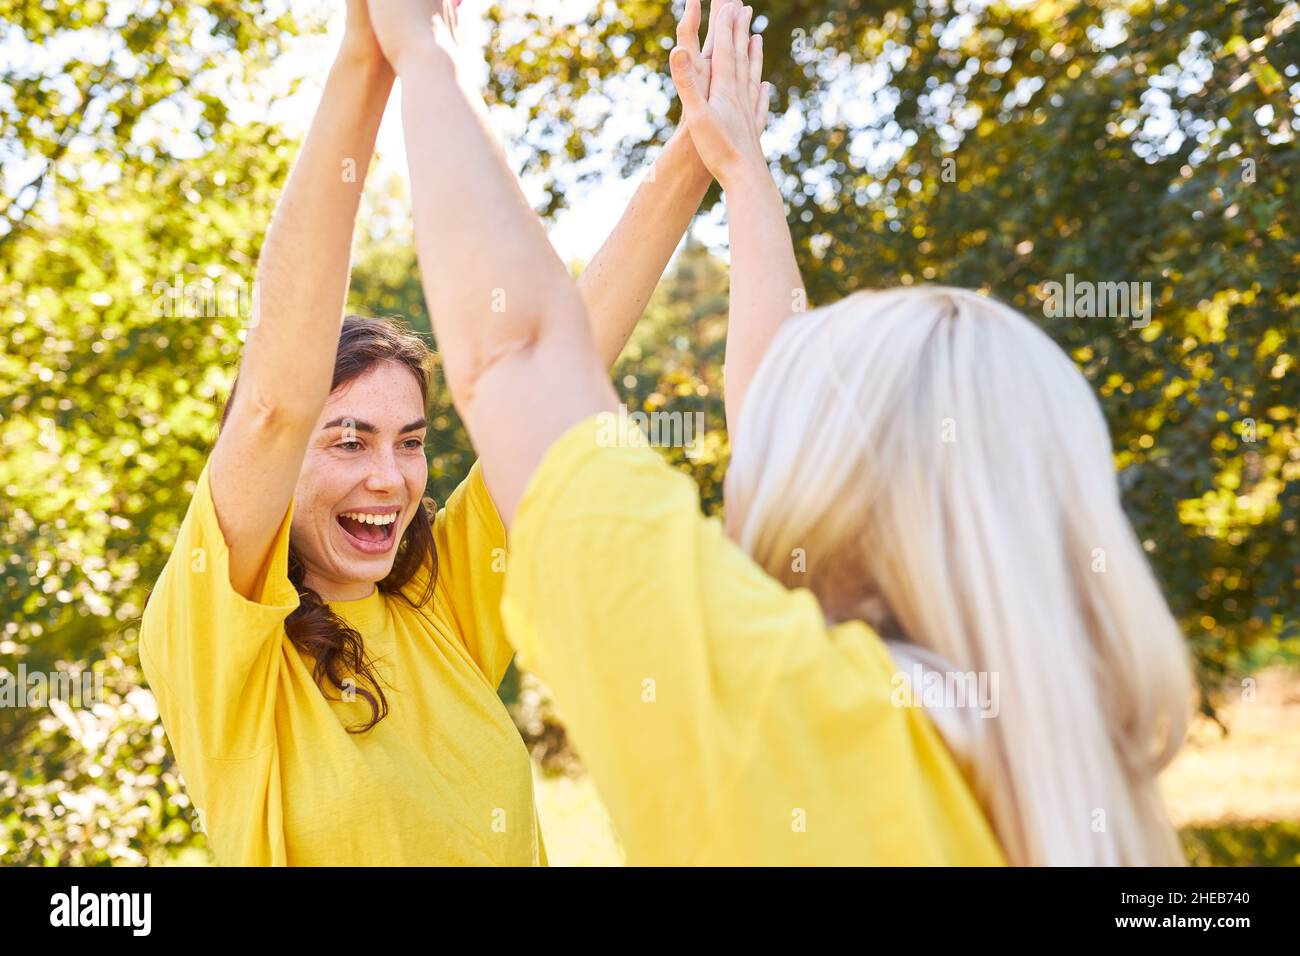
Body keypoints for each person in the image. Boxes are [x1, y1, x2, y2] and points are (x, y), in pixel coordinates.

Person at [375, 0, 1194, 865]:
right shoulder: (1076, 768)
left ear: (830, 492)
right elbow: (775, 413)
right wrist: (743, 173)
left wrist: (426, 53)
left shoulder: (789, 715)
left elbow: (523, 355)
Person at [138, 0, 758, 865]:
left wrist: (701, 148)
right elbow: (275, 407)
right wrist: (368, 54)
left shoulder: (444, 604)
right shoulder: (223, 639)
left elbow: (563, 361)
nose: (390, 478)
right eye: (349, 441)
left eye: (409, 438)